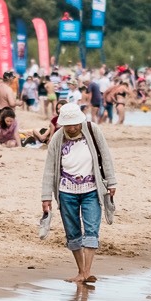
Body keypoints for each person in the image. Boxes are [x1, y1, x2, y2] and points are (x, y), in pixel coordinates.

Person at [39, 102, 115, 286]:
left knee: (91, 230)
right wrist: (46, 197)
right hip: (66, 192)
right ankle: (81, 271)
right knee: (72, 233)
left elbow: (105, 155)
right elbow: (49, 169)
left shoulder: (92, 130)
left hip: (92, 190)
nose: (72, 128)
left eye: (75, 124)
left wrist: (111, 182)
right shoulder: (57, 139)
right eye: (68, 124)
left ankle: (87, 271)